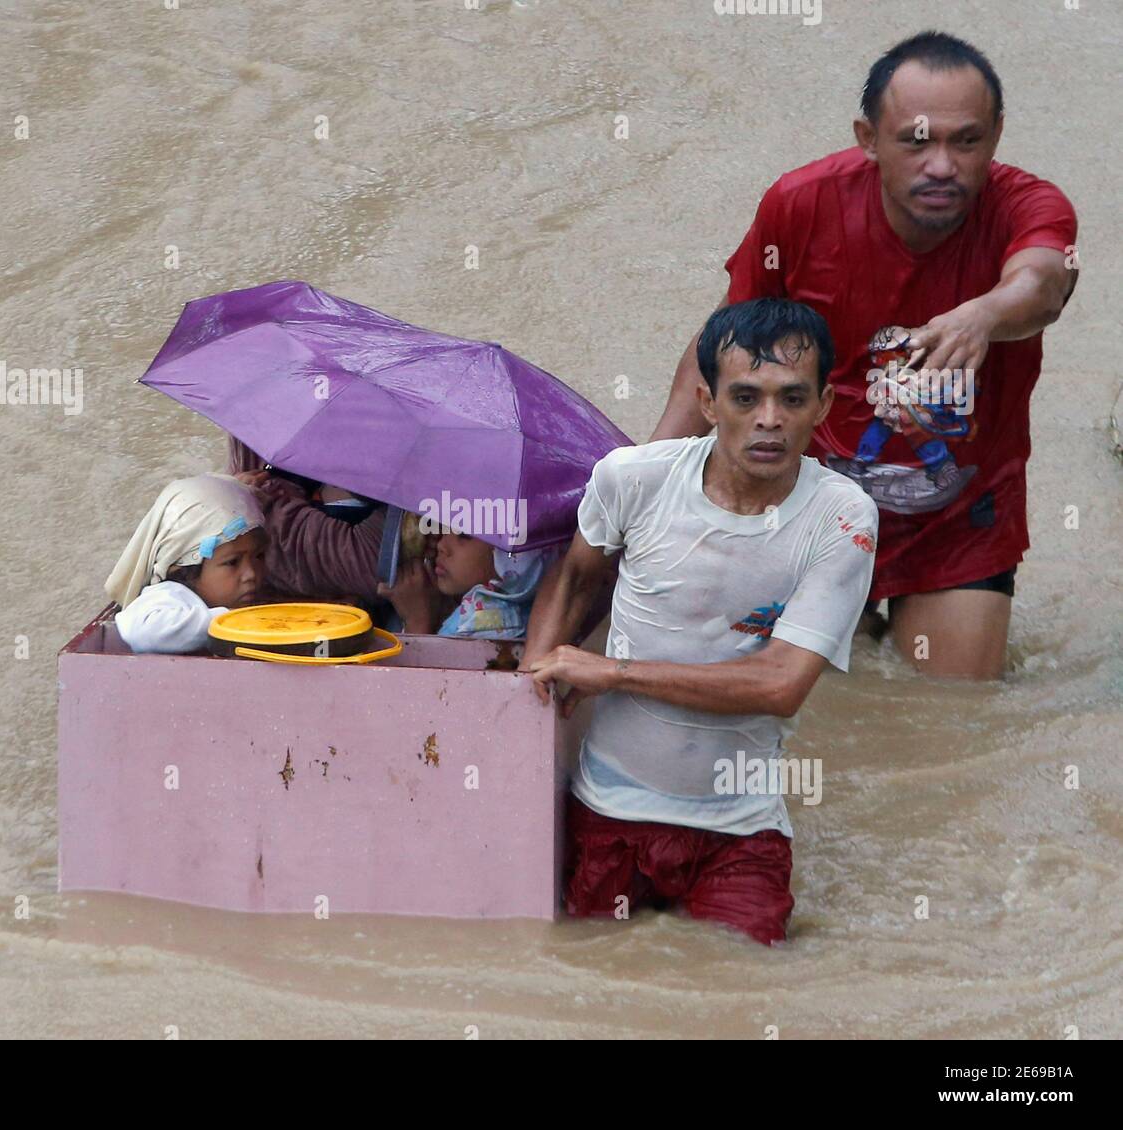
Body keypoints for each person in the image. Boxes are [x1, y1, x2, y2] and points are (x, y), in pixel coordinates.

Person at [649, 31, 1078, 680]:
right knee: (791, 702)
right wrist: (649, 479)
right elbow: (722, 346)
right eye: (916, 140)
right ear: (868, 138)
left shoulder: (1029, 208)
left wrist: (984, 314)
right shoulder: (801, 204)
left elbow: (1043, 285)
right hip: (808, 504)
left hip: (960, 516)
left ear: (995, 136)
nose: (942, 164)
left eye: (966, 141)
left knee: (951, 717)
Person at [524, 299, 878, 945]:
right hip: (606, 812)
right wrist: (527, 696)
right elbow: (577, 578)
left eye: (791, 399)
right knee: (585, 970)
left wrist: (612, 672)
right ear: (707, 402)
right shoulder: (634, 479)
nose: (769, 421)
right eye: (745, 398)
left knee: (747, 987)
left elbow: (781, 685)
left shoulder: (843, 518)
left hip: (742, 829)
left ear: (825, 405)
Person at [105, 473, 267, 654]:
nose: (251, 574)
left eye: (259, 556)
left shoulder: (237, 598)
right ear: (185, 568)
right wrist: (233, 620)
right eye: (232, 562)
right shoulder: (171, 595)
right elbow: (141, 630)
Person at [380, 531, 557, 639]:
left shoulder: (479, 624)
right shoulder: (538, 604)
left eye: (464, 535)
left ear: (511, 555)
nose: (442, 545)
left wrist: (417, 622)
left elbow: (425, 693)